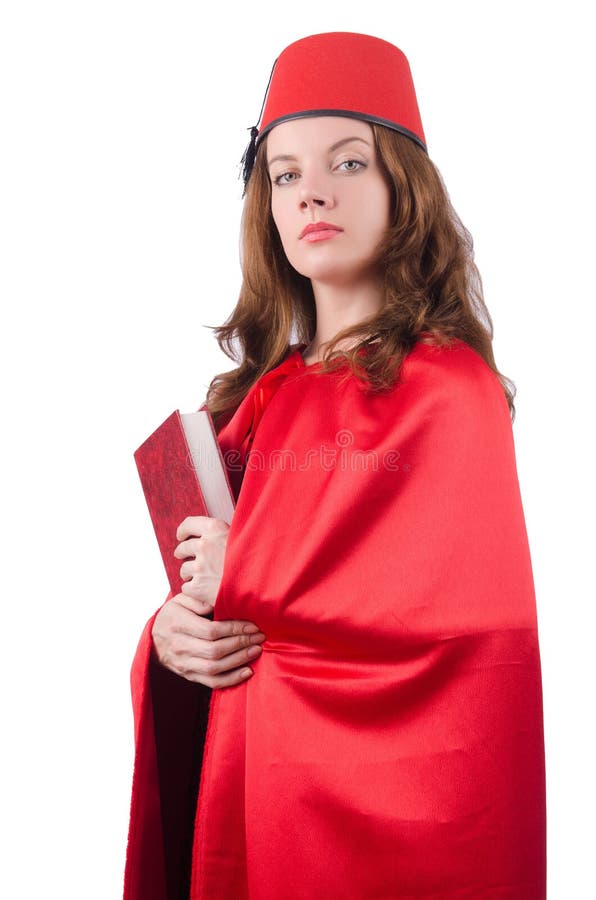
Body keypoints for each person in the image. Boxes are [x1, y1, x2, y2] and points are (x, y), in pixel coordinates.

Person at [123, 32, 547, 900]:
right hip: (247, 790)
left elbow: (471, 635)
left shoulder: (450, 393)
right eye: (284, 174)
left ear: (403, 188)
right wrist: (171, 642)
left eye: (347, 162)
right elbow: (218, 607)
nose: (312, 189)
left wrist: (251, 572)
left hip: (383, 830)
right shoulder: (249, 404)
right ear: (268, 209)